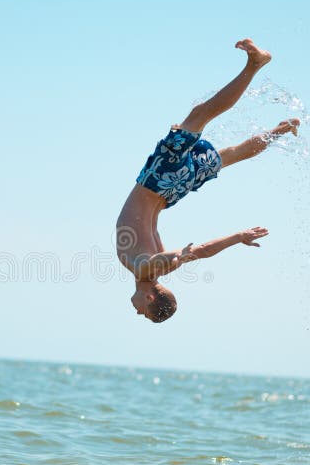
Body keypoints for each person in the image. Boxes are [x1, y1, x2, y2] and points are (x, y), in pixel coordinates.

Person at [115, 38, 299, 323]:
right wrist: (176, 254)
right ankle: (254, 65)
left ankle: (280, 131)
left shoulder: (164, 268)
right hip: (158, 182)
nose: (138, 311)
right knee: (199, 116)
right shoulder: (143, 270)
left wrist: (238, 237)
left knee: (232, 154)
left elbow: (202, 251)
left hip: (171, 193)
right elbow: (154, 262)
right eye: (144, 313)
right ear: (150, 298)